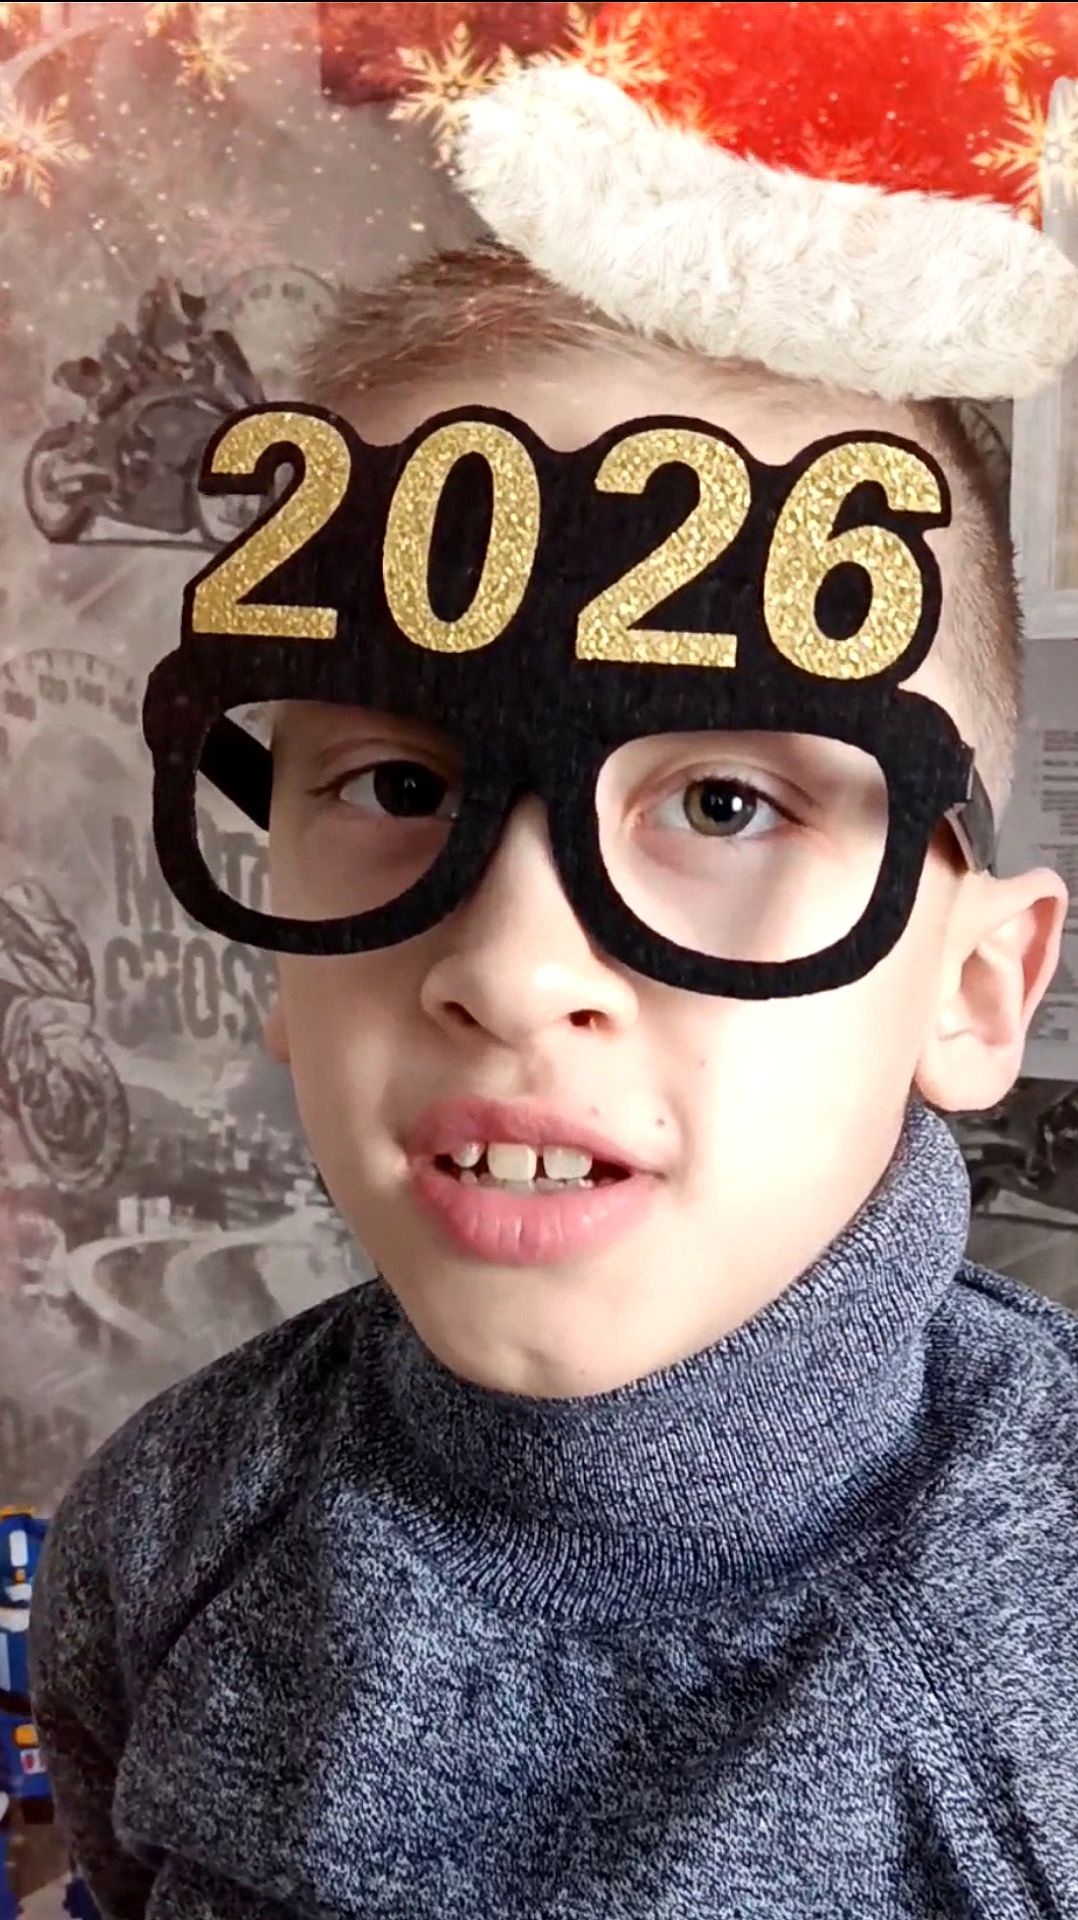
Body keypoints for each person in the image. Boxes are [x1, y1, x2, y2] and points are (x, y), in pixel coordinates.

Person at [27, 21, 1078, 1920]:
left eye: (728, 804)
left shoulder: (1042, 1659)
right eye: (402, 787)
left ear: (976, 987)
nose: (511, 967)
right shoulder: (166, 1527)